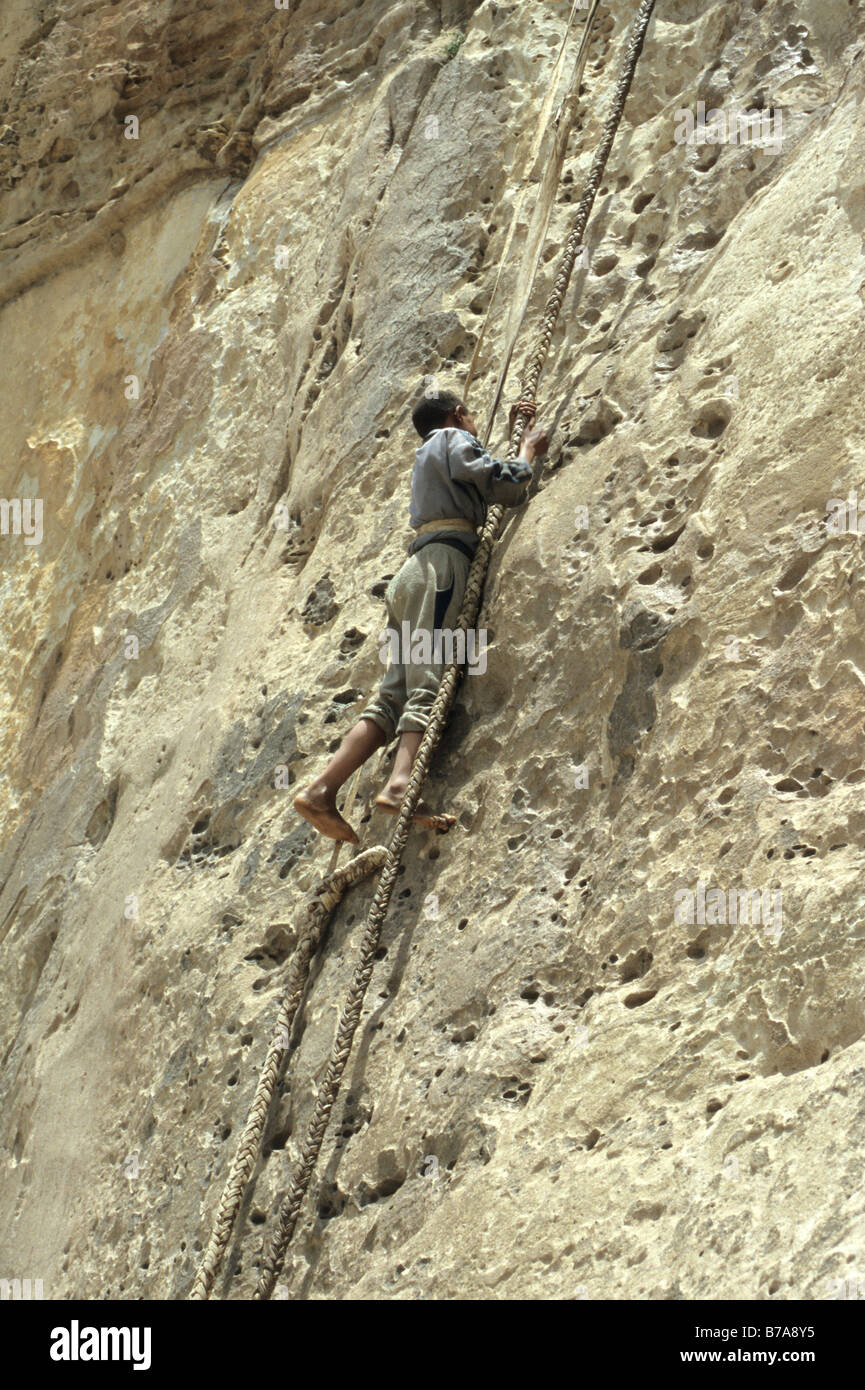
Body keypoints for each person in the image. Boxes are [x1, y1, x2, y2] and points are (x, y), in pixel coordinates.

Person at [294, 388, 550, 842]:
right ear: (457, 416)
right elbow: (502, 484)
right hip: (444, 567)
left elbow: (470, 471)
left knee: (393, 693)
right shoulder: (451, 440)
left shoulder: (430, 454)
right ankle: (398, 784)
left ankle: (321, 789)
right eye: (472, 419)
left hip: (411, 575)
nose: (475, 428)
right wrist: (527, 448)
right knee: (430, 678)